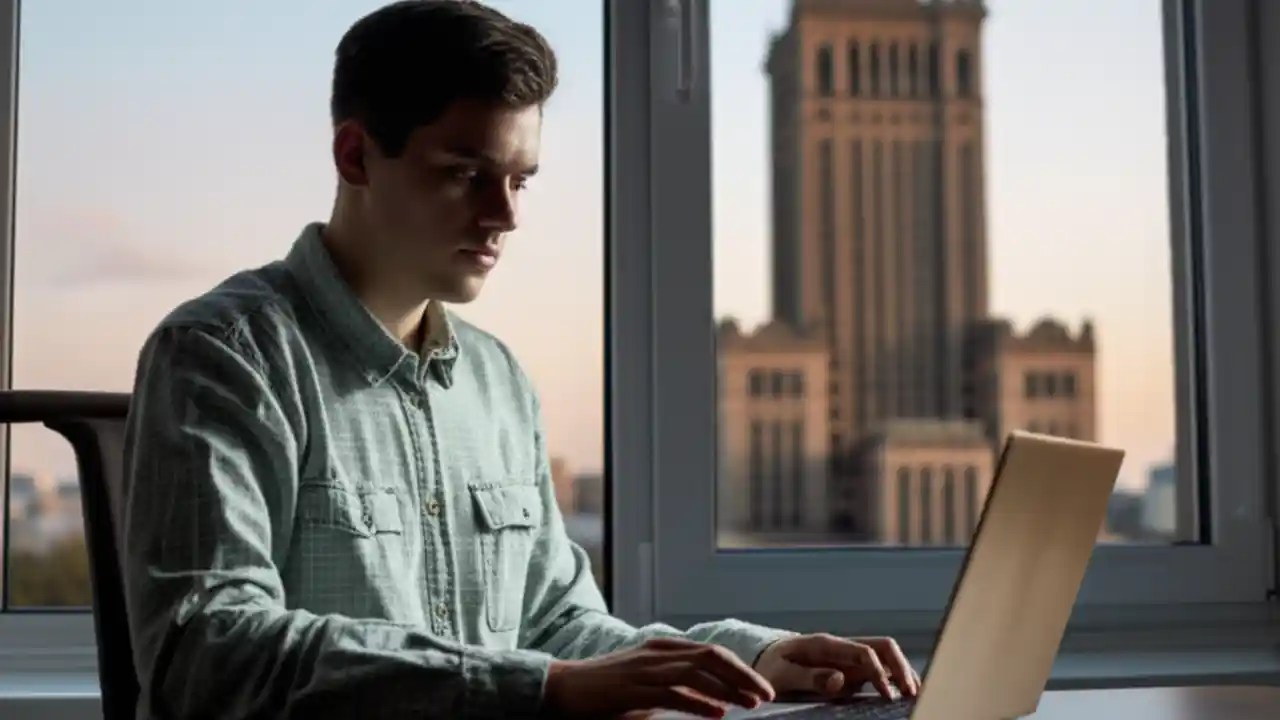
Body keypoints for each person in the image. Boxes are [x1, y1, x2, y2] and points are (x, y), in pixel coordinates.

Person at [120, 1, 919, 717]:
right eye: (465, 174)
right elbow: (207, 656)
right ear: (356, 155)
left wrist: (757, 659)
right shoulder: (224, 358)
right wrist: (539, 689)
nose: (503, 216)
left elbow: (559, 627)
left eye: (519, 181)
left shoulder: (496, 382)